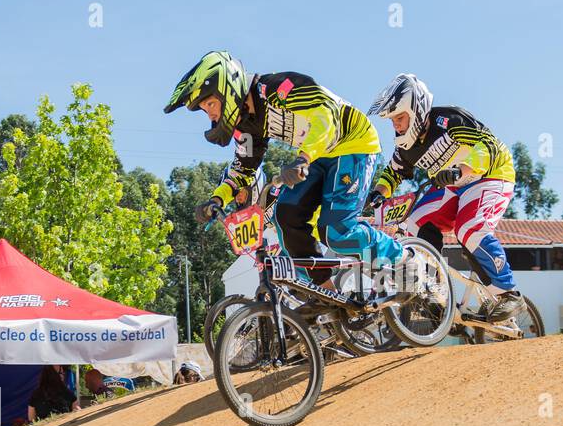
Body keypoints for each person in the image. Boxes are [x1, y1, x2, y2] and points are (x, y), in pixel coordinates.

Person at [165, 51, 406, 292]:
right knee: (286, 217)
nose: (211, 115)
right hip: (316, 156)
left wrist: (303, 157)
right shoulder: (246, 125)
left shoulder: (278, 88)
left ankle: (405, 259)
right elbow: (243, 170)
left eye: (209, 104)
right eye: (204, 110)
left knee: (336, 232)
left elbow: (324, 117)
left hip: (353, 144)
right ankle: (327, 294)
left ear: (226, 88)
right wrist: (217, 199)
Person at [364, 74, 523, 320]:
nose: (396, 125)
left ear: (416, 110)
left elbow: (489, 146)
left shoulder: (449, 120)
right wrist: (377, 194)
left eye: (400, 117)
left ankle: (508, 294)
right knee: (412, 225)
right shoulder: (406, 147)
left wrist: (462, 170)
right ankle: (435, 293)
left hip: (490, 175)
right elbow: (394, 173)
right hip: (452, 186)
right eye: (393, 120)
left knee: (470, 229)